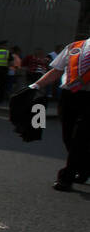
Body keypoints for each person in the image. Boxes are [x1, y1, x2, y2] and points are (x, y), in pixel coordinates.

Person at [29, 38, 90, 191]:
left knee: (80, 138)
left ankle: (66, 177)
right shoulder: (75, 46)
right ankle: (83, 169)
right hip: (69, 95)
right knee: (67, 136)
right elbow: (57, 70)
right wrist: (36, 85)